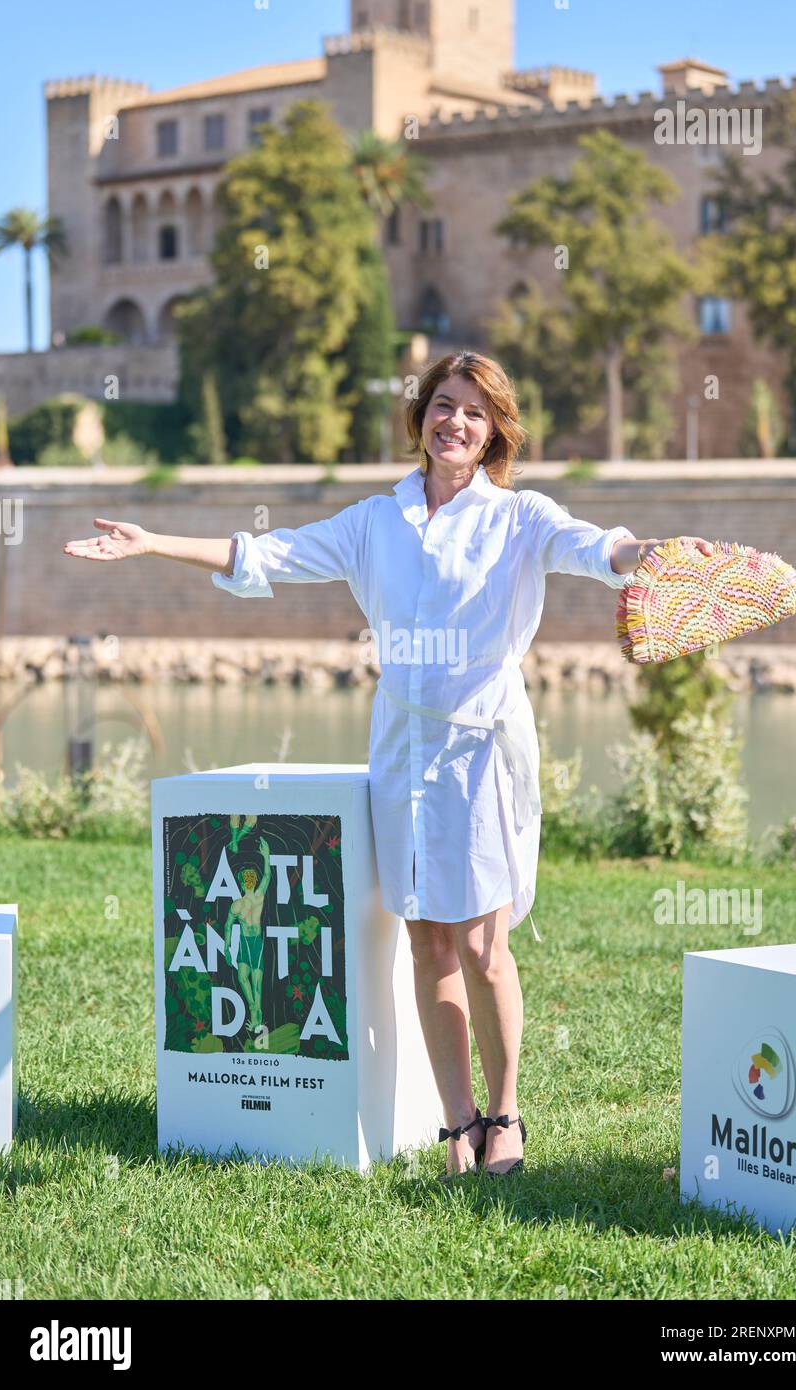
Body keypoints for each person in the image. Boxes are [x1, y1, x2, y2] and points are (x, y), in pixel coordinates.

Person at [63, 350, 714, 1177]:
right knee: (427, 943)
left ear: (494, 433)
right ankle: (456, 1124)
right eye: (444, 404)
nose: (456, 422)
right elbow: (263, 556)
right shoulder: (376, 522)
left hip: (481, 748)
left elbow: (599, 549)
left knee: (483, 947)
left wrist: (651, 553)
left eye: (475, 413)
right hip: (402, 753)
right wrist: (153, 541)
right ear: (421, 417)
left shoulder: (520, 519)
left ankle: (506, 1114)